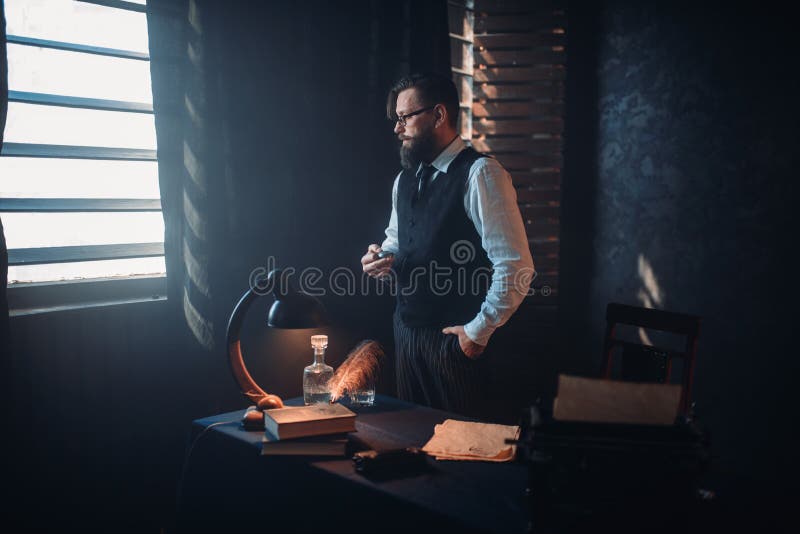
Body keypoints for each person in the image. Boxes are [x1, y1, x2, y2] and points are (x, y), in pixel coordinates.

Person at [361, 73, 534, 417]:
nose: (397, 128)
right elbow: (398, 242)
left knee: (464, 444)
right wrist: (380, 259)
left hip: (456, 342)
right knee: (414, 439)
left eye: (405, 118)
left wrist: (476, 333)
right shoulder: (404, 179)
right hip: (407, 335)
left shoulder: (481, 173)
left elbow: (516, 266)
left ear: (438, 115)